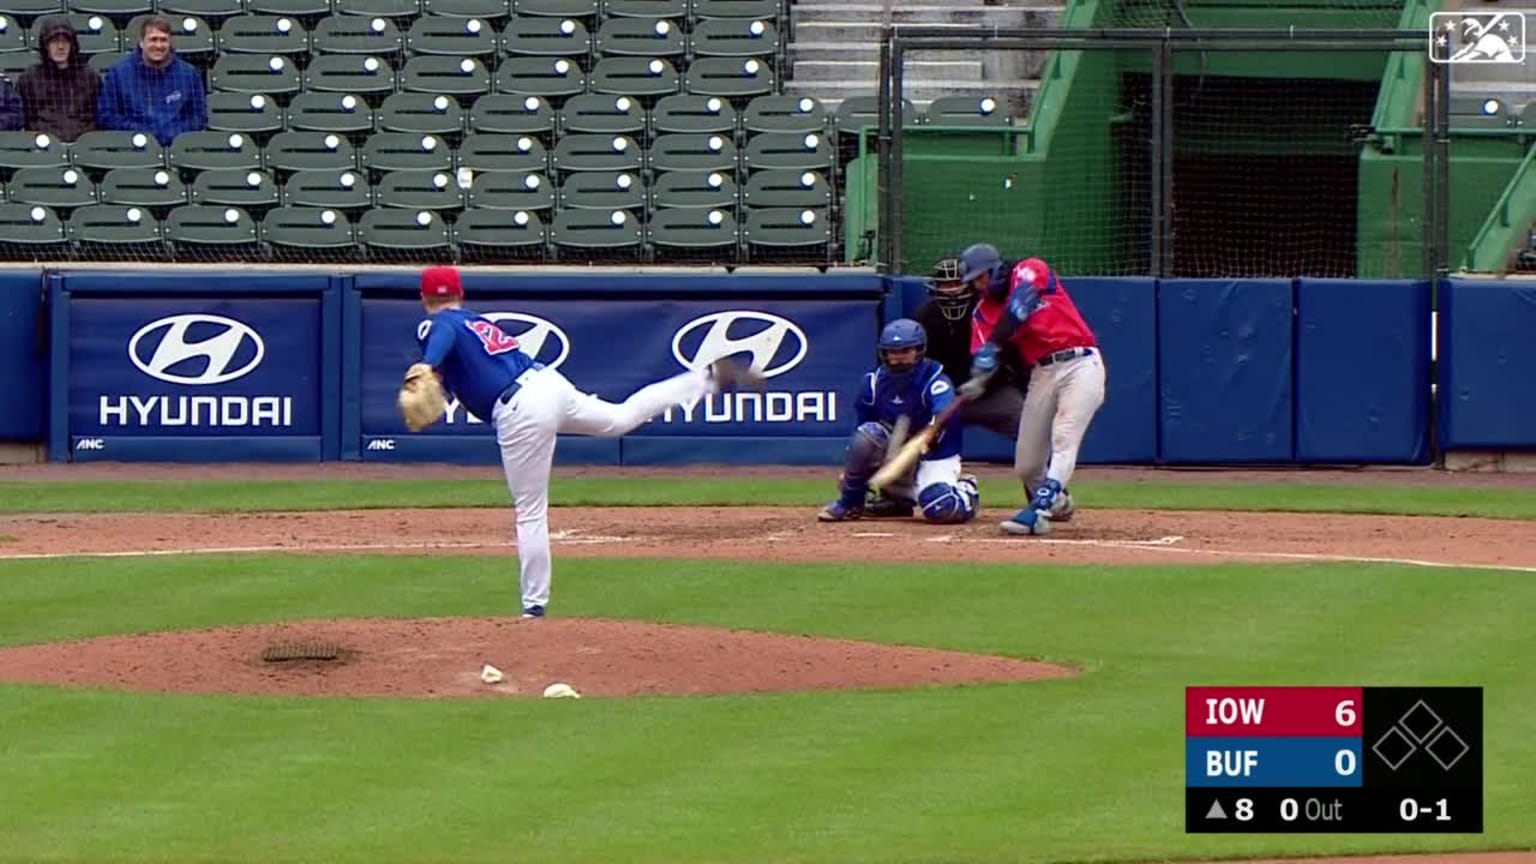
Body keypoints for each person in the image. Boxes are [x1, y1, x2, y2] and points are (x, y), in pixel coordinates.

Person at [406, 266, 764, 619]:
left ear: (423, 298)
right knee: (620, 419)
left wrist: (426, 363)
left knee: (530, 510)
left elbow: (440, 333)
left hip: (520, 409)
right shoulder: (476, 321)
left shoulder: (438, 323)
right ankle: (705, 379)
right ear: (462, 294)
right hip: (548, 384)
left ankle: (534, 606)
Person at [865, 255, 1031, 518]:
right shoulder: (925, 317)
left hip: (992, 391)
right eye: (945, 284)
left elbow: (1011, 349)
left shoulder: (987, 308)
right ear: (934, 287)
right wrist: (933, 395)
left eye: (956, 283)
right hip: (944, 398)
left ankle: (1044, 496)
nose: (951, 289)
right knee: (901, 430)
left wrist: (1006, 380)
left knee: (1031, 430)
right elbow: (916, 366)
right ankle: (895, 497)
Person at [959, 243, 1104, 536]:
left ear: (996, 268)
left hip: (1081, 364)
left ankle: (1037, 511)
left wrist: (994, 346)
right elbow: (984, 353)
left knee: (1064, 437)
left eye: (982, 277)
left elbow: (1018, 308)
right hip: (1043, 372)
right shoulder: (983, 312)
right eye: (974, 281)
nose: (980, 285)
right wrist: (980, 376)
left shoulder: (1029, 269)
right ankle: (1058, 502)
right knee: (1026, 465)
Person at [816, 318, 979, 525]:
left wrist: (927, 434)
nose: (897, 358)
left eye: (905, 351)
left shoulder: (935, 379)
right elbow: (862, 430)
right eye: (892, 352)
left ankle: (966, 488)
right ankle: (851, 503)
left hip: (935, 453)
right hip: (897, 451)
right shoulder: (873, 383)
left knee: (940, 507)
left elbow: (943, 413)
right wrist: (852, 476)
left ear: (919, 351)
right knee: (867, 438)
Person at [96, 17, 207, 146]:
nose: (158, 46)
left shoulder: (188, 73)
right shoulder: (118, 73)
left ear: (170, 42)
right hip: (132, 146)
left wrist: (172, 133)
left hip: (178, 145)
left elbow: (198, 116)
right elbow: (107, 116)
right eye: (153, 39)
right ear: (141, 42)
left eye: (163, 40)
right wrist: (142, 132)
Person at [18, 17, 101, 142]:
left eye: (65, 41)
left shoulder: (90, 78)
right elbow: (26, 118)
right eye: (54, 41)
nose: (60, 47)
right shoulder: (30, 79)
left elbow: (98, 117)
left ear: (72, 45)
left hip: (83, 144)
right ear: (46, 45)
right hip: (44, 147)